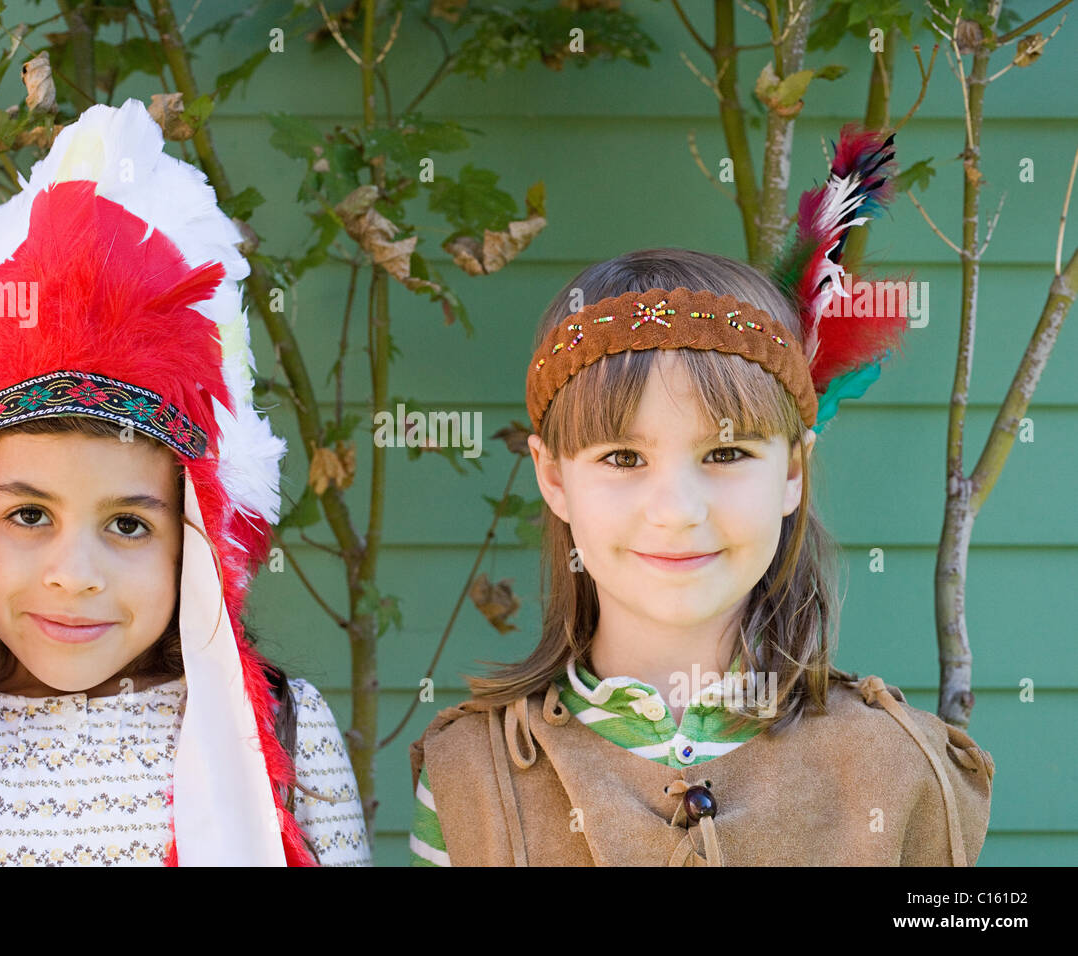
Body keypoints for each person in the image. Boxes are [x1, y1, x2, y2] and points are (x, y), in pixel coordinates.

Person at [0, 99, 369, 866]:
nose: (74, 577)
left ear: (194, 542)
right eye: (30, 515)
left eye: (129, 524)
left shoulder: (284, 735)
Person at [410, 125, 994, 867]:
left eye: (725, 452)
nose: (677, 509)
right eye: (623, 456)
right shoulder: (471, 774)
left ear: (792, 473)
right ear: (553, 478)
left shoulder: (904, 765)